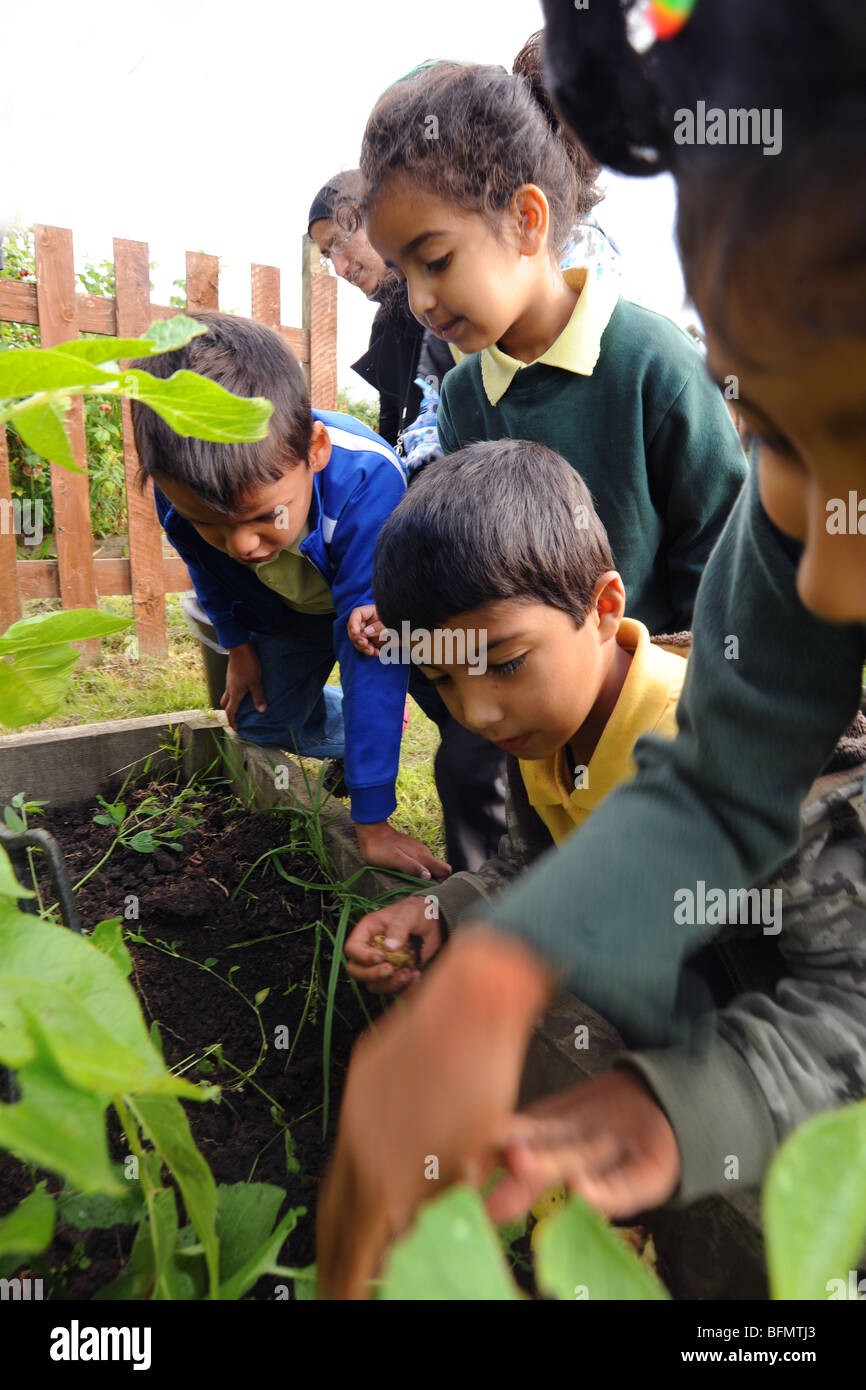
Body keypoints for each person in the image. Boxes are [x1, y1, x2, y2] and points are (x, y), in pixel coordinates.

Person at [316, 0, 866, 1299]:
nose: (826, 569)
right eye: (778, 440)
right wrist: (493, 971)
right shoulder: (796, 547)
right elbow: (722, 777)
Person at [341, 440, 866, 1234]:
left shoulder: (769, 782)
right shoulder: (547, 741)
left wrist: (682, 1107)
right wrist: (447, 910)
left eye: (506, 664)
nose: (476, 713)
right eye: (443, 679)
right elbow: (533, 866)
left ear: (605, 607)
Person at [359, 59, 747, 637]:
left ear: (526, 220)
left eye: (436, 260)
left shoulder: (655, 366)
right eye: (402, 273)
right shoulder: (464, 399)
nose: (420, 301)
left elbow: (723, 555)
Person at [130, 310, 449, 882]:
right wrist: (238, 647)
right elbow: (206, 568)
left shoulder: (369, 486)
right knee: (253, 722)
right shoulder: (183, 493)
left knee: (448, 705)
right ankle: (365, 731)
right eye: (214, 523)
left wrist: (371, 824)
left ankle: (393, 748)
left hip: (372, 607)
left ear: (316, 450)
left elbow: (369, 651)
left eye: (260, 517)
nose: (243, 544)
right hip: (288, 611)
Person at [307, 170, 453, 451]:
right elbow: (391, 433)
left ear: (382, 218)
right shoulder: (386, 326)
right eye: (327, 254)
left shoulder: (455, 300)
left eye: (339, 242)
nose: (339, 268)